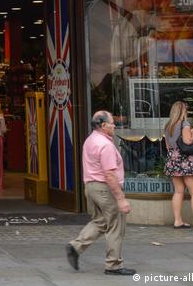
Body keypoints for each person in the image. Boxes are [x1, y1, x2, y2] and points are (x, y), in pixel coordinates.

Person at [65, 110, 135, 276]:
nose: (114, 126)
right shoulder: (105, 145)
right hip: (105, 188)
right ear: (104, 125)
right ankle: (113, 264)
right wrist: (121, 199)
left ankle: (75, 246)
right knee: (115, 225)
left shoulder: (90, 140)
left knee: (100, 221)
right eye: (112, 123)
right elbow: (109, 174)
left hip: (91, 187)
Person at [163, 101, 193, 232]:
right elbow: (187, 141)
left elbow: (167, 146)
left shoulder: (168, 125)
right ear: (182, 111)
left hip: (173, 158)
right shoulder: (184, 124)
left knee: (178, 191)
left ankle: (177, 221)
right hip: (186, 160)